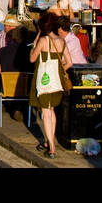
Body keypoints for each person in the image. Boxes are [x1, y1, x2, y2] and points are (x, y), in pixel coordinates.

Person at [29, 12, 71, 157]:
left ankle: (51, 147)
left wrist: (33, 46)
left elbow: (32, 59)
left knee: (45, 113)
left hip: (44, 81)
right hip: (57, 82)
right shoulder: (62, 42)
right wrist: (59, 71)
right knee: (51, 111)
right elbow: (69, 62)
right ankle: (50, 140)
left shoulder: (43, 41)